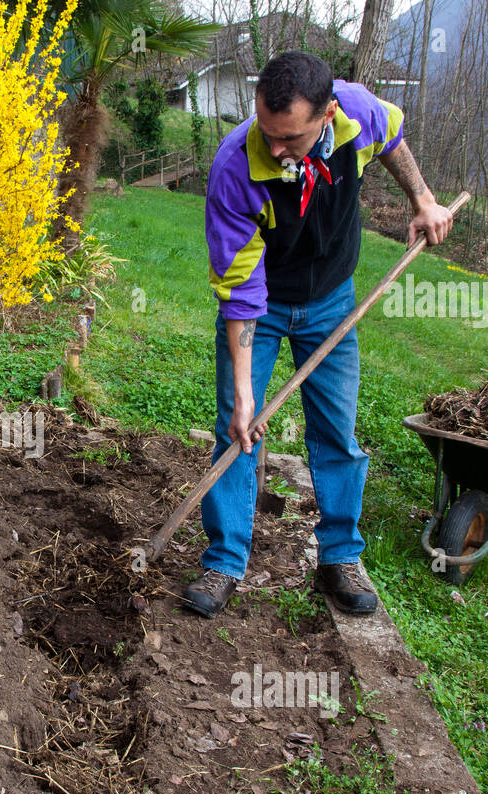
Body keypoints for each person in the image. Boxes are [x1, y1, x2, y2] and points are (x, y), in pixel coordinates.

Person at [186, 51, 453, 618]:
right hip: (263, 304)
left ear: (328, 114)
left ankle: (339, 556)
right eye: (267, 131)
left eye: (291, 138)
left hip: (332, 299)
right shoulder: (237, 166)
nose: (276, 147)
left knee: (337, 431)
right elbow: (239, 292)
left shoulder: (356, 112)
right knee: (237, 429)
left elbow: (393, 135)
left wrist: (423, 199)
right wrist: (244, 392)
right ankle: (225, 559)